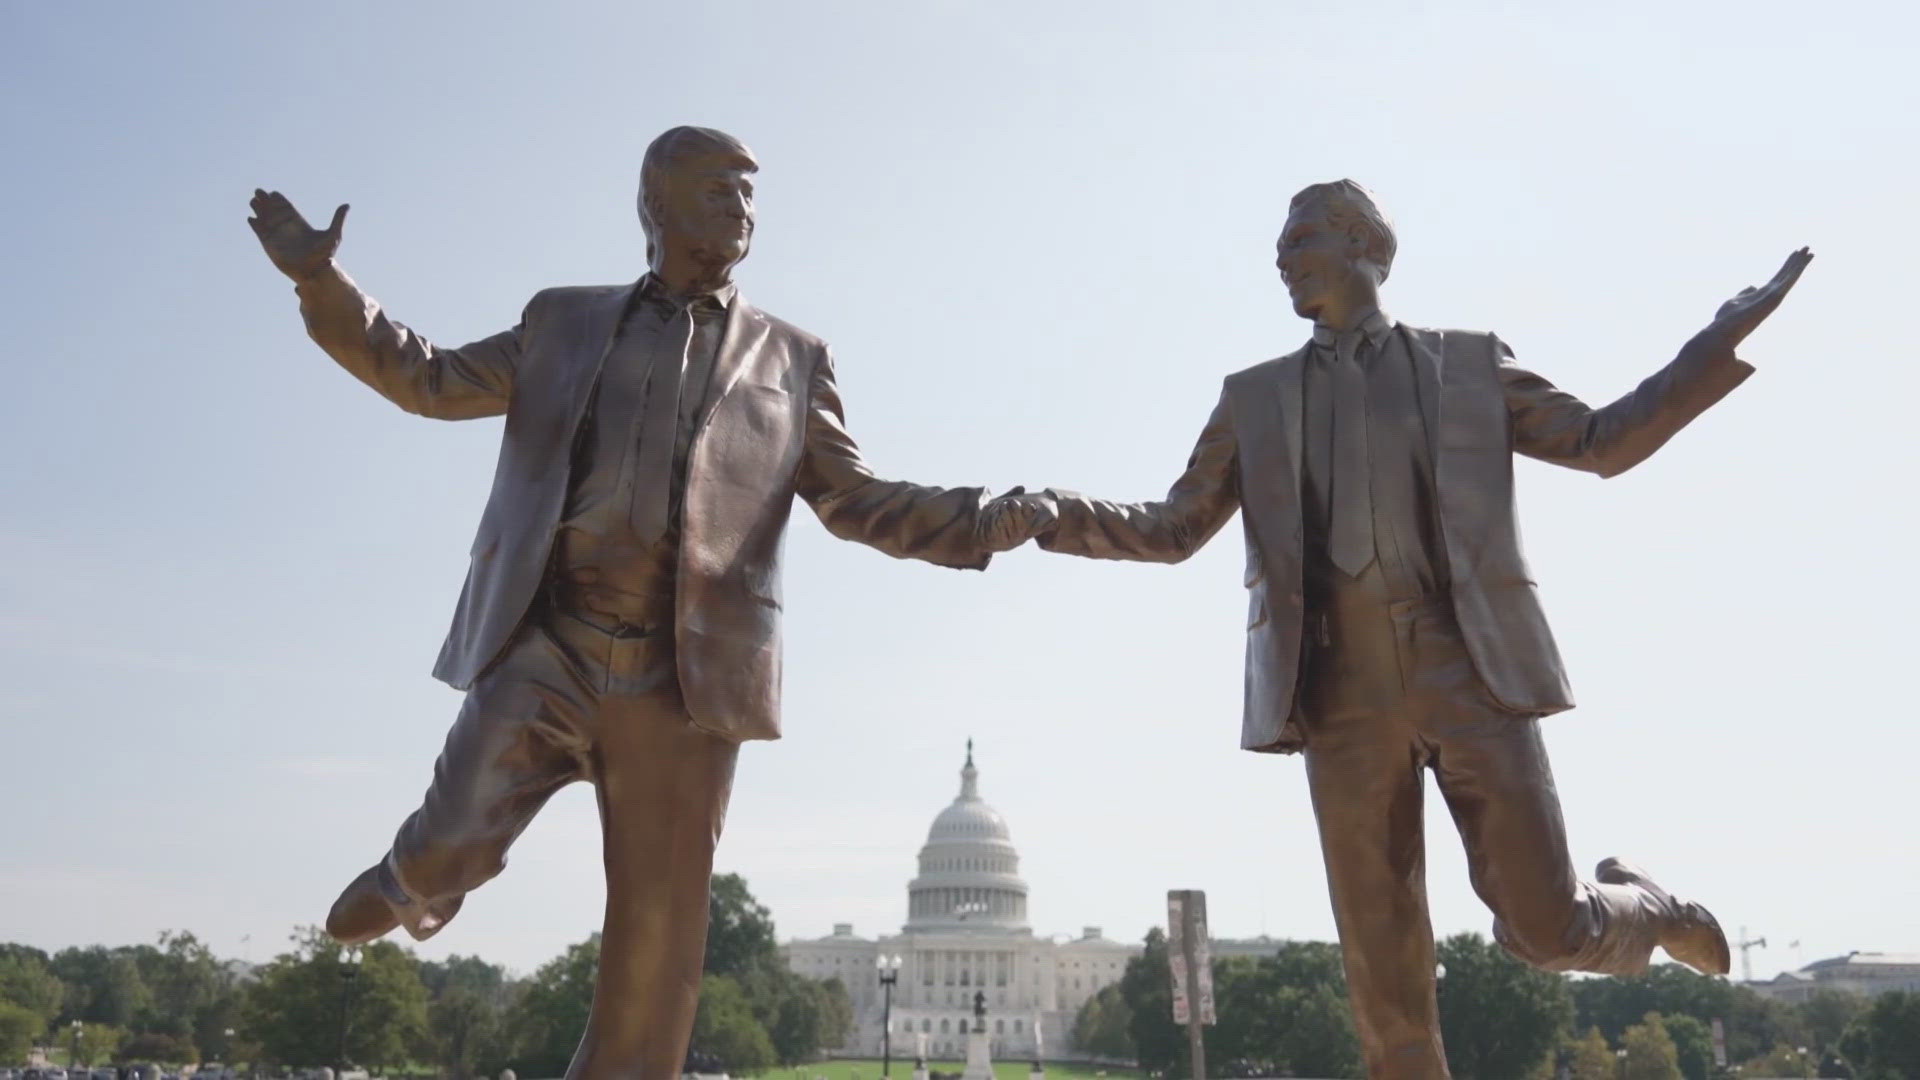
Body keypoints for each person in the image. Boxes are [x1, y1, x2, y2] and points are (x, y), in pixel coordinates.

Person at [983, 180, 1810, 1079]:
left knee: (1547, 930)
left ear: (1365, 245)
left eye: (1300, 240)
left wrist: (1712, 344)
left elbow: (1601, 441)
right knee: (1386, 984)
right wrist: (1053, 514)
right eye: (1280, 248)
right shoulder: (1252, 399)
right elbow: (1173, 528)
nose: (1282, 259)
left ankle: (1647, 908)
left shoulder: (1466, 364)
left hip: (1472, 677)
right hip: (1340, 702)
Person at [248, 125, 1014, 1080]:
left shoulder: (795, 357)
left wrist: (979, 520)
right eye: (720, 189)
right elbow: (429, 378)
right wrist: (323, 283)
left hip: (683, 677)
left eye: (749, 194)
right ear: (656, 204)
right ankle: (415, 879)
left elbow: (855, 500)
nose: (742, 208)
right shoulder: (561, 320)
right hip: (550, 639)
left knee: (657, 946)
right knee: (454, 834)